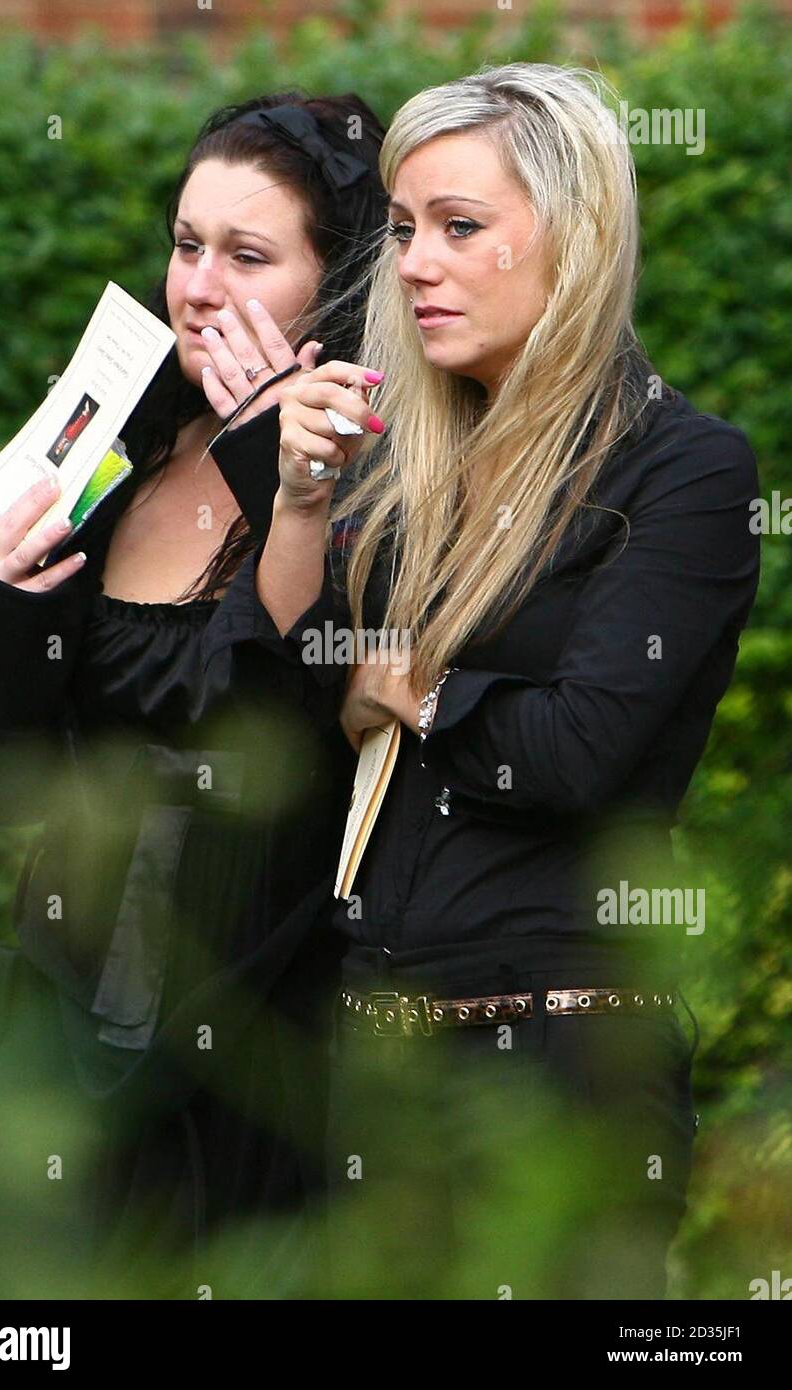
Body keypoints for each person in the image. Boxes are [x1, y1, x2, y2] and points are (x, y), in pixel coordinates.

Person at [207, 63, 761, 1298]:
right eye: (404, 229)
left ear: (572, 239)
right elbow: (293, 712)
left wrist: (405, 685)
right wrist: (297, 500)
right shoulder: (401, 458)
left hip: (564, 1064)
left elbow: (577, 750)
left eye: (460, 228)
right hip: (374, 1064)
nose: (411, 264)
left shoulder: (681, 468)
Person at [0, 91, 387, 1299]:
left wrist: (266, 458)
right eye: (187, 245)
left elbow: (289, 728)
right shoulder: (120, 448)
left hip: (249, 1055)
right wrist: (2, 599)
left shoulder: (378, 482)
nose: (197, 286)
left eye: (248, 255)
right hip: (55, 1031)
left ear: (333, 286)